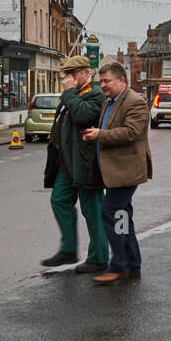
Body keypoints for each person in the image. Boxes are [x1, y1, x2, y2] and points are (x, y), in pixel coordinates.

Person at [81, 62, 152, 285]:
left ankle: (119, 265)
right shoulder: (109, 102)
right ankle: (132, 264)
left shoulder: (135, 102)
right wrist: (94, 134)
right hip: (115, 172)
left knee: (111, 212)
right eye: (100, 81)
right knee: (123, 217)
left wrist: (100, 134)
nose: (102, 86)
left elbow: (132, 132)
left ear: (122, 80)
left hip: (127, 171)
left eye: (106, 81)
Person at [41, 56, 108, 273]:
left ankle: (99, 257)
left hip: (86, 163)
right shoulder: (74, 95)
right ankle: (68, 249)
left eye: (70, 75)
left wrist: (69, 92)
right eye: (65, 75)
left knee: (92, 210)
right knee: (59, 200)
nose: (66, 79)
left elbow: (82, 115)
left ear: (84, 73)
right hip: (66, 163)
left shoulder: (95, 94)